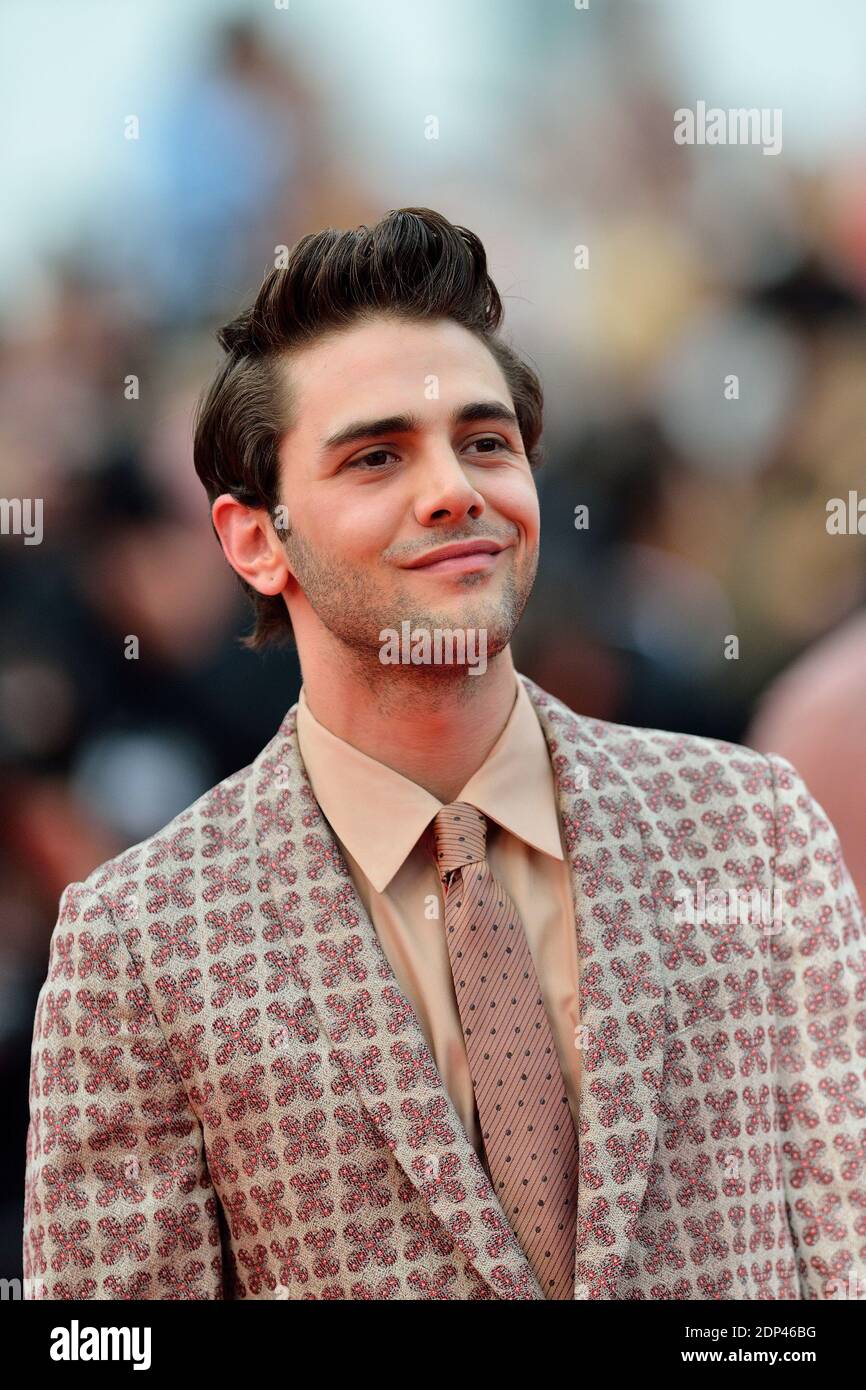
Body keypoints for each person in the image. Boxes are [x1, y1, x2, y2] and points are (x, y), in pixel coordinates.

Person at [23, 208, 865, 1301]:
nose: (454, 489)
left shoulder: (746, 823)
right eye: (377, 456)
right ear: (253, 539)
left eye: (484, 442)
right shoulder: (143, 940)